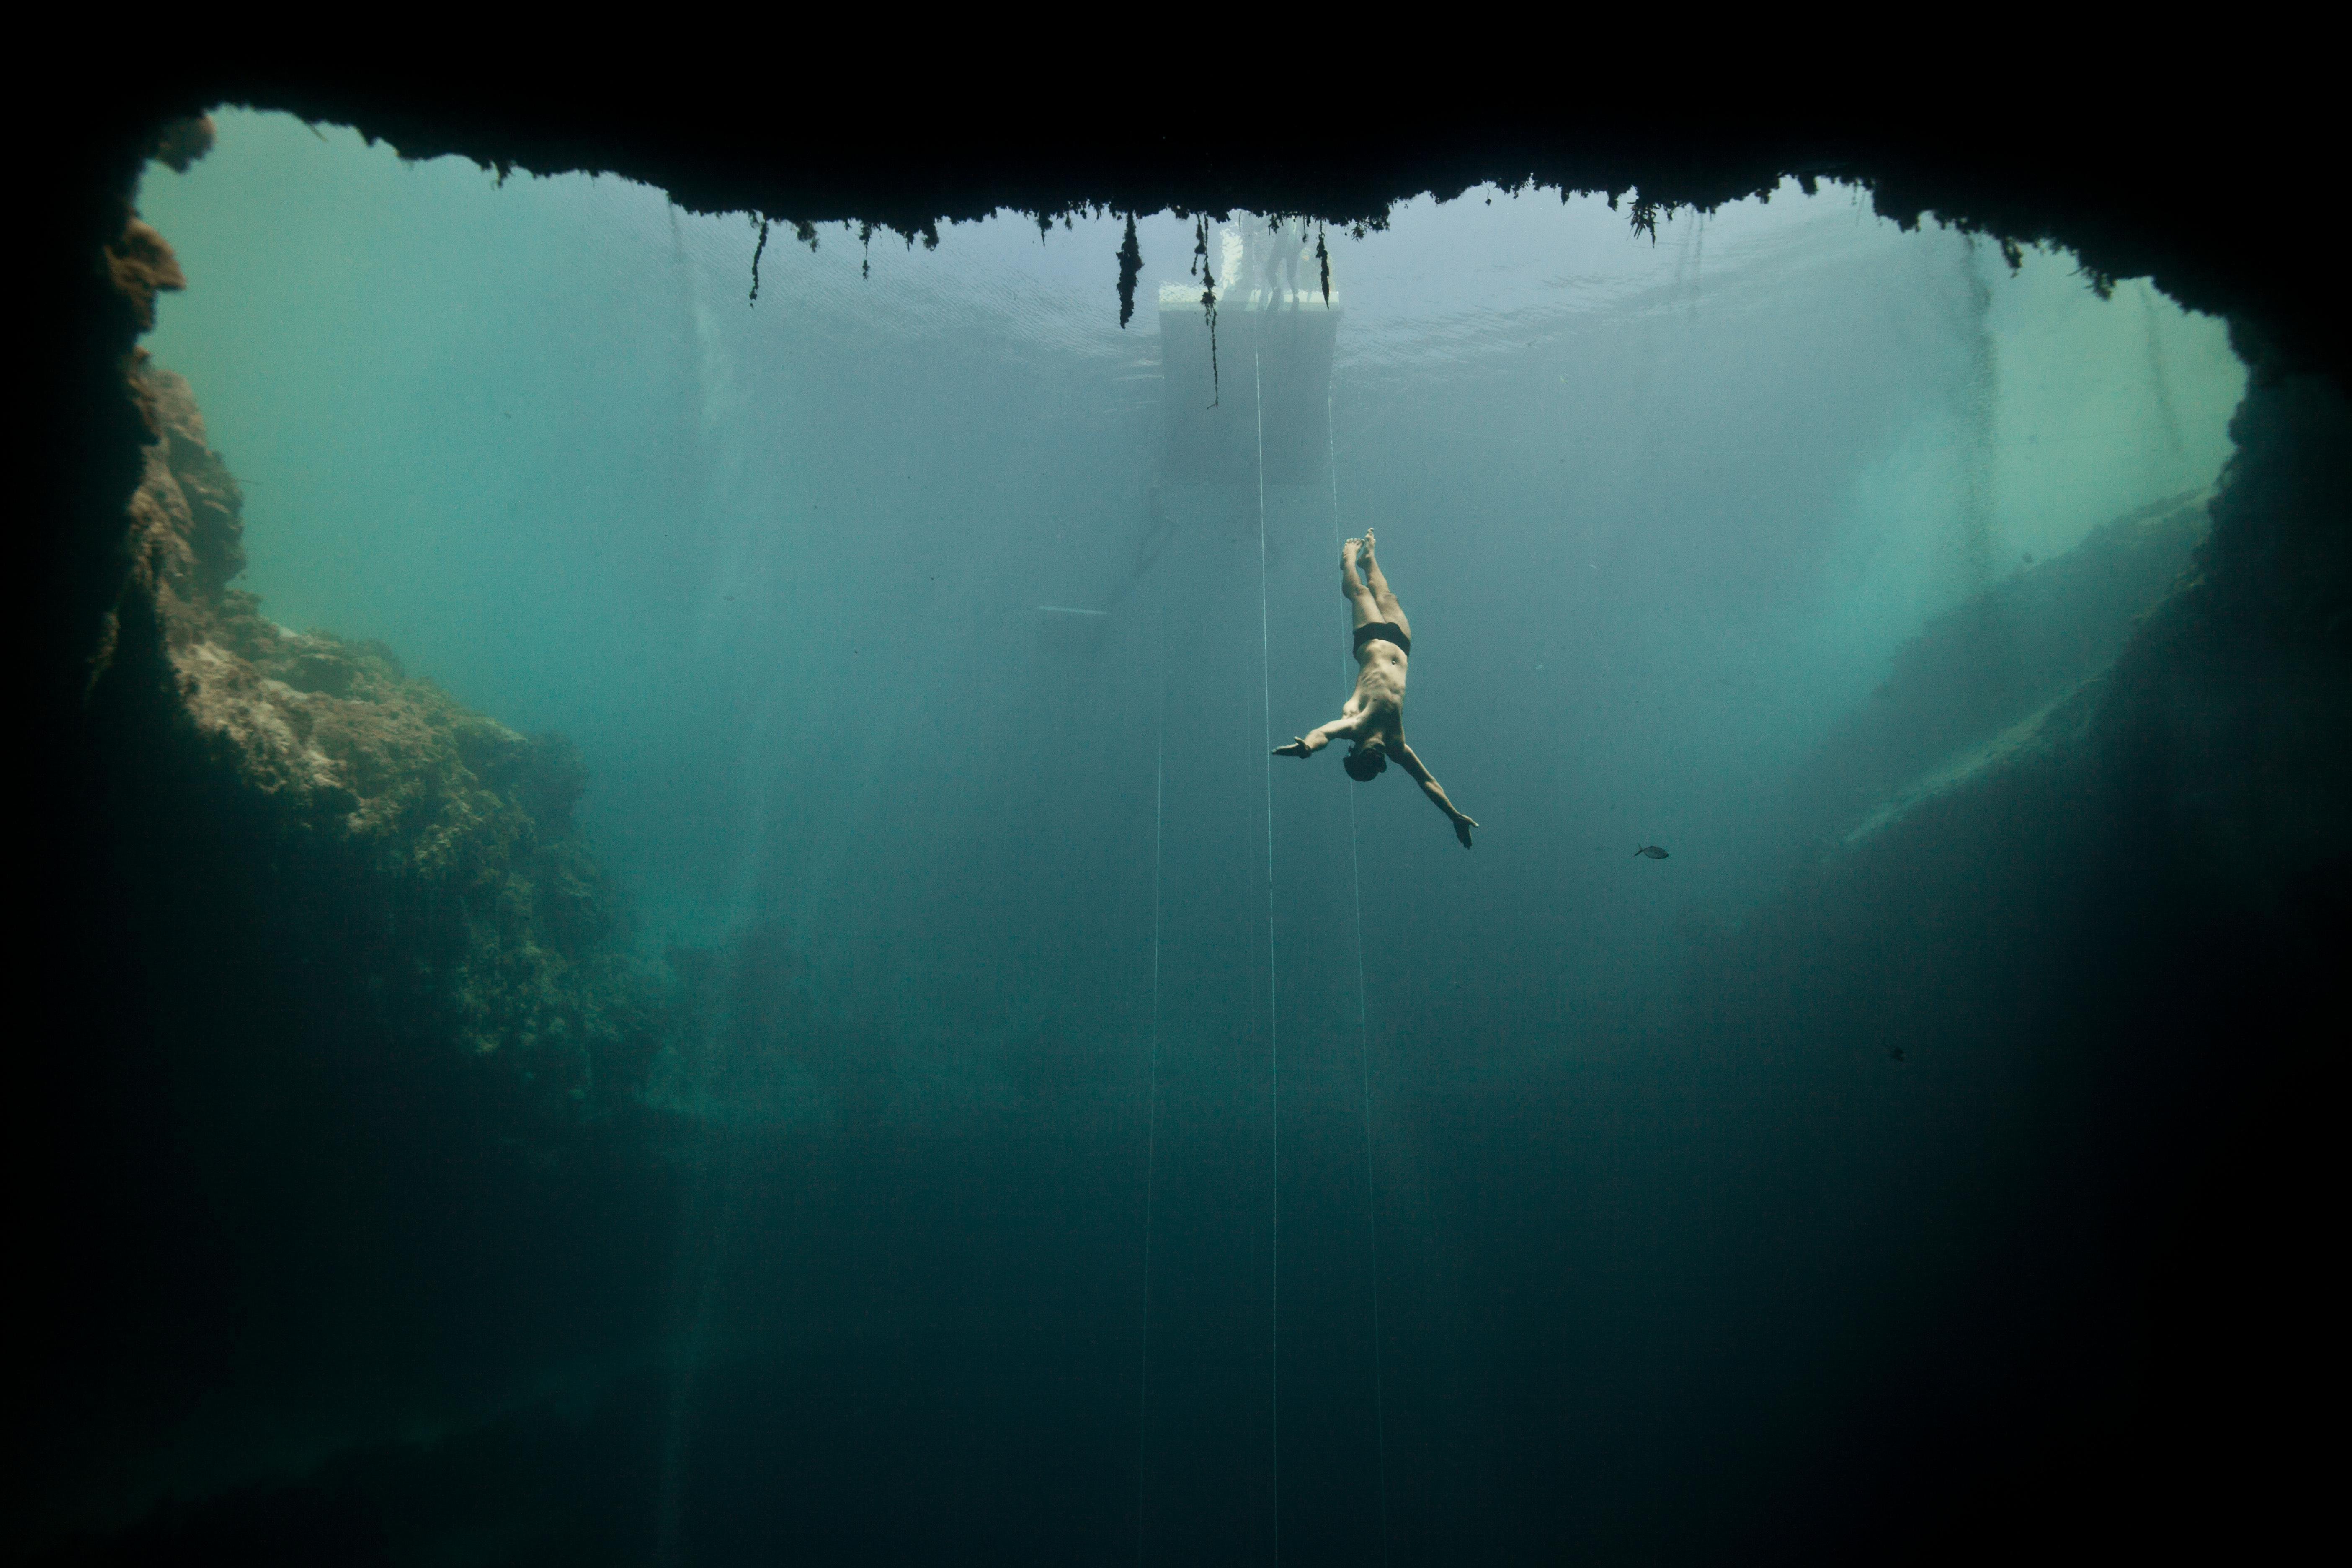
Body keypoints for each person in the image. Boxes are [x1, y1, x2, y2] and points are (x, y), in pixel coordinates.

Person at [1274, 531, 1478, 848]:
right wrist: (1453, 815)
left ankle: (1347, 563)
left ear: (1355, 752)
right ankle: (1370, 560)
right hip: (1401, 646)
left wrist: (1308, 748)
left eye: (1369, 760)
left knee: (1358, 592)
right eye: (1379, 766)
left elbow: (1325, 733)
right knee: (1388, 597)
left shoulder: (1355, 724)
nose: (1379, 759)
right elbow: (1426, 781)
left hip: (1371, 640)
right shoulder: (1397, 744)